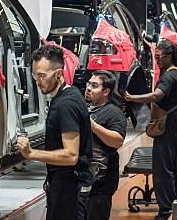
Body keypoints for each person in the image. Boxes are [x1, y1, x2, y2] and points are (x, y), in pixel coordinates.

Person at [17, 45, 92, 220]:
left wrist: (31, 153)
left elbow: (71, 155)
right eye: (35, 75)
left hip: (69, 187)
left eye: (42, 75)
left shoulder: (66, 104)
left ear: (58, 74)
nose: (37, 80)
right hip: (64, 183)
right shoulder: (67, 95)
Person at [125, 40, 177, 220]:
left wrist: (131, 97)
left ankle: (165, 210)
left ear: (169, 56)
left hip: (167, 127)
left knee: (162, 171)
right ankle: (176, 204)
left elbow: (156, 95)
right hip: (175, 124)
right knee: (172, 167)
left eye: (159, 57)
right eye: (155, 57)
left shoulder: (168, 76)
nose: (157, 61)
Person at [78, 70, 127, 220]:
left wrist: (93, 126)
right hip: (83, 176)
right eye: (88, 84)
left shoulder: (114, 113)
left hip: (101, 182)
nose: (88, 88)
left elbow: (117, 140)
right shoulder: (85, 108)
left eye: (94, 85)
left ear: (106, 91)